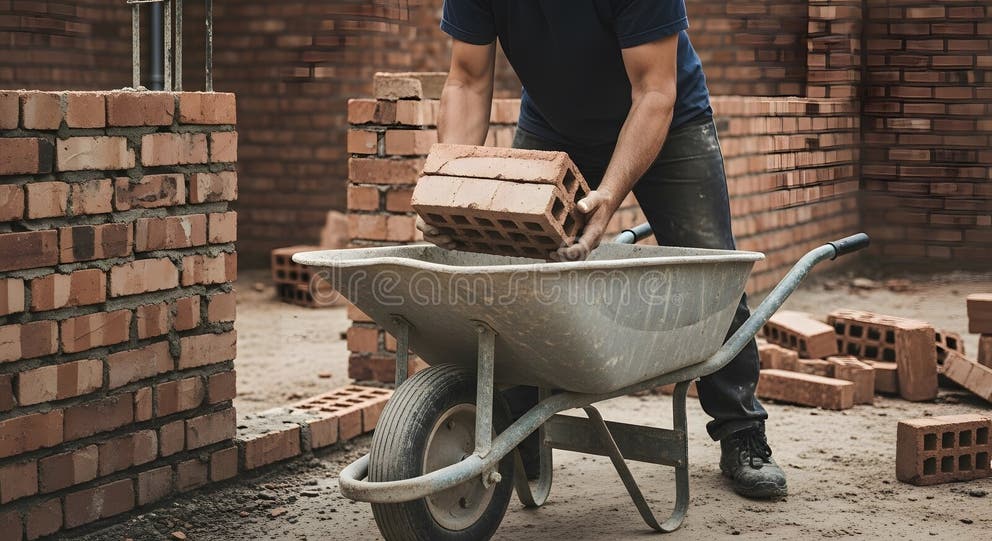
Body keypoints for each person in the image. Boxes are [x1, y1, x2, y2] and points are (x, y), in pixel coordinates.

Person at [415, 0, 787, 499]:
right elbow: (466, 78)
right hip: (552, 125)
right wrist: (452, 184)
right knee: (518, 270)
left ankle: (742, 431)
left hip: (668, 121)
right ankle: (517, 427)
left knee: (709, 267)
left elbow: (654, 92)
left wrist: (608, 196)